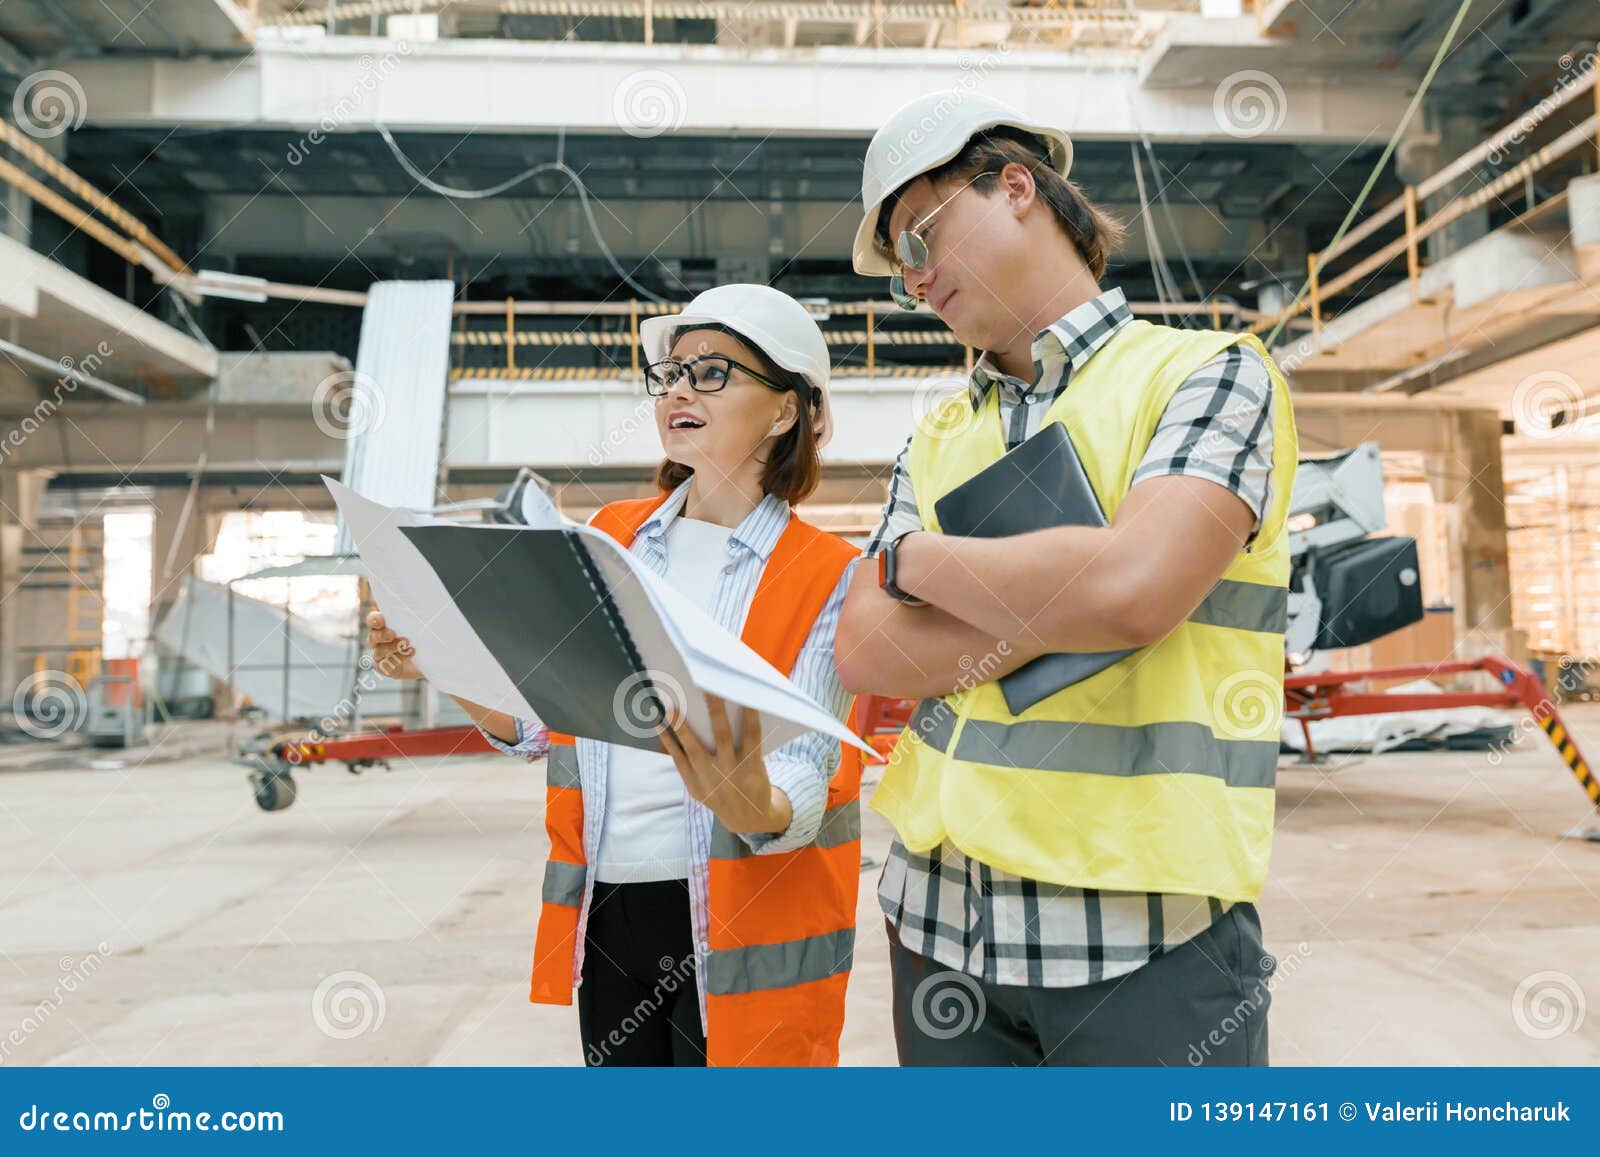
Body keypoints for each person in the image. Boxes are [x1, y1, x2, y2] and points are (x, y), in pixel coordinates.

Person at [833, 91, 1299, 1066]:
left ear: (1013, 188)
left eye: (917, 242)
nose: (915, 285)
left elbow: (1135, 588)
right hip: (938, 925)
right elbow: (865, 647)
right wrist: (1071, 591)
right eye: (900, 273)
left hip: (1142, 935)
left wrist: (915, 561)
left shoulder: (1209, 375)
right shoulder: (938, 433)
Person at [368, 284, 862, 1067]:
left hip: (735, 920)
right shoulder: (609, 538)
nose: (676, 390)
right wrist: (438, 655)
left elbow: (811, 770)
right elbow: (539, 722)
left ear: (786, 409)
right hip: (609, 909)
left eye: (712, 373)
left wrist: (752, 799)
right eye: (670, 373)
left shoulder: (833, 574)